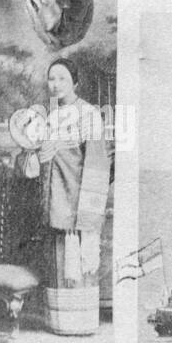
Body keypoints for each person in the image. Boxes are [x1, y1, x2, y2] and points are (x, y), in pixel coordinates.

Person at [36, 58, 110, 290]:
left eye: (62, 79)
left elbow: (97, 162)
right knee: (56, 269)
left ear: (75, 83)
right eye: (51, 79)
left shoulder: (88, 113)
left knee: (80, 270)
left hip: (77, 200)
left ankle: (78, 319)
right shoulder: (50, 114)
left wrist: (88, 211)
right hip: (54, 200)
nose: (55, 84)